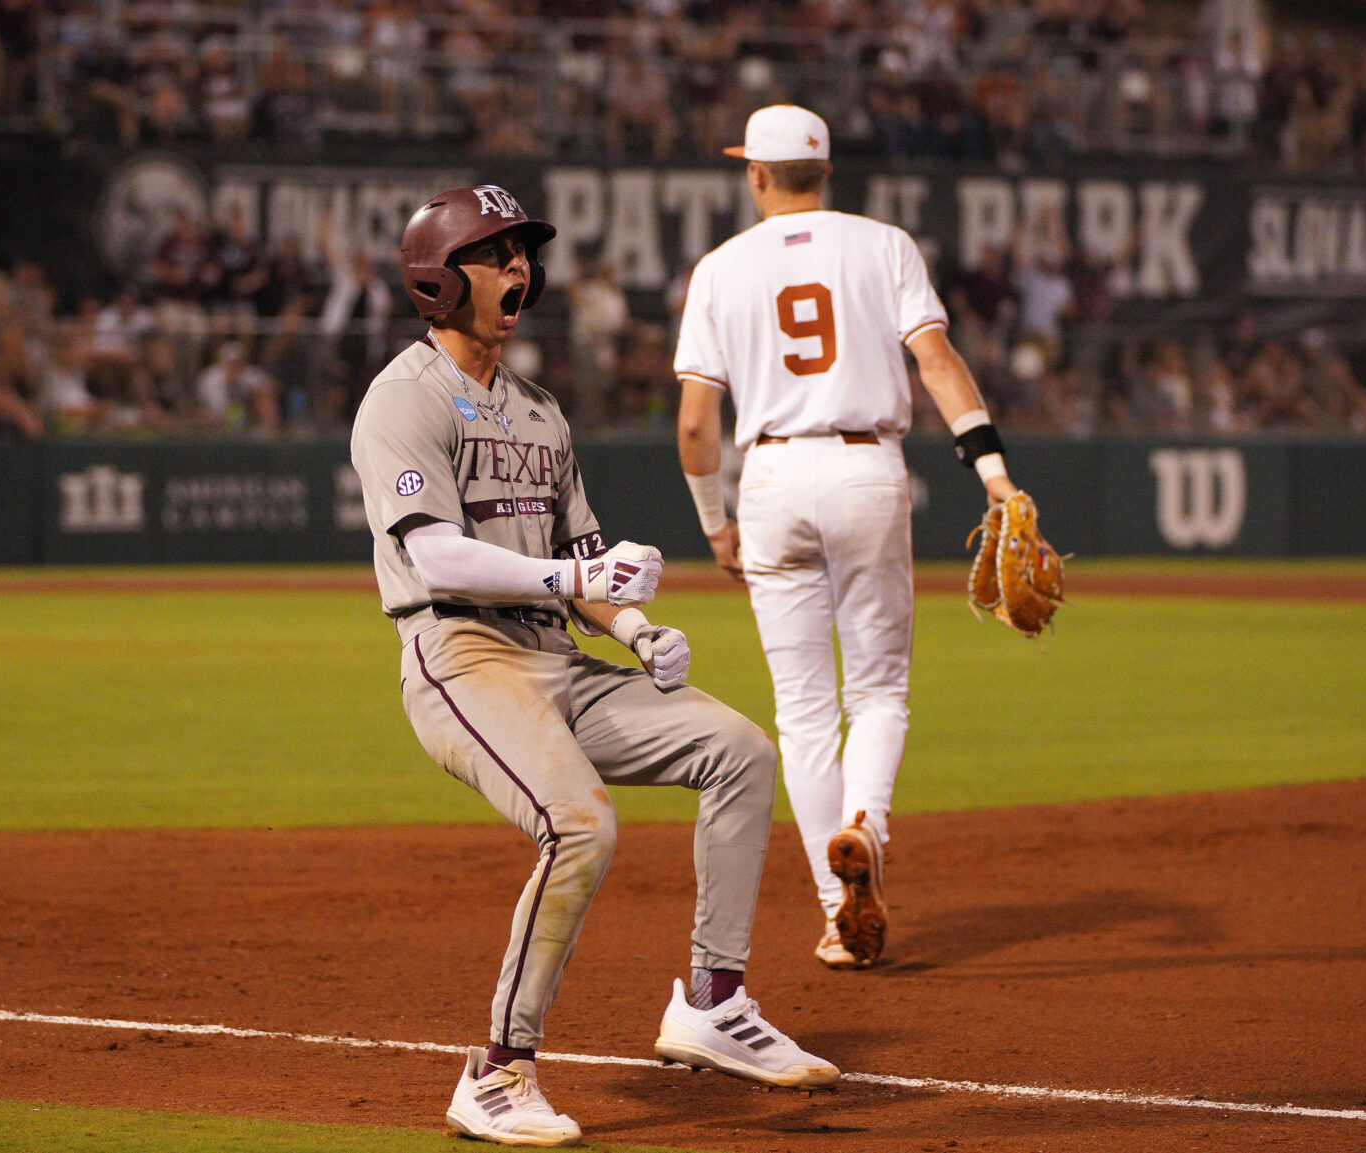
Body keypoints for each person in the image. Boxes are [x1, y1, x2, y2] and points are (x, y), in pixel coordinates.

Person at [350, 185, 837, 1147]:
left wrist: (638, 628)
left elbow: (585, 573)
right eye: (494, 255)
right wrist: (569, 572)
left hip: (557, 655)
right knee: (580, 826)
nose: (519, 269)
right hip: (461, 654)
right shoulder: (402, 397)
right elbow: (437, 556)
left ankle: (712, 1002)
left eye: (523, 252)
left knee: (739, 749)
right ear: (437, 281)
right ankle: (497, 1072)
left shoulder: (539, 410)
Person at [673, 106, 1026, 971]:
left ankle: (838, 912)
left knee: (802, 717)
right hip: (869, 467)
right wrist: (995, 477)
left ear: (756, 174)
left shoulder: (719, 268)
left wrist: (713, 520)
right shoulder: (884, 245)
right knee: (878, 694)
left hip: (771, 479)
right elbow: (938, 363)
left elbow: (693, 422)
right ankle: (865, 825)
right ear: (823, 171)